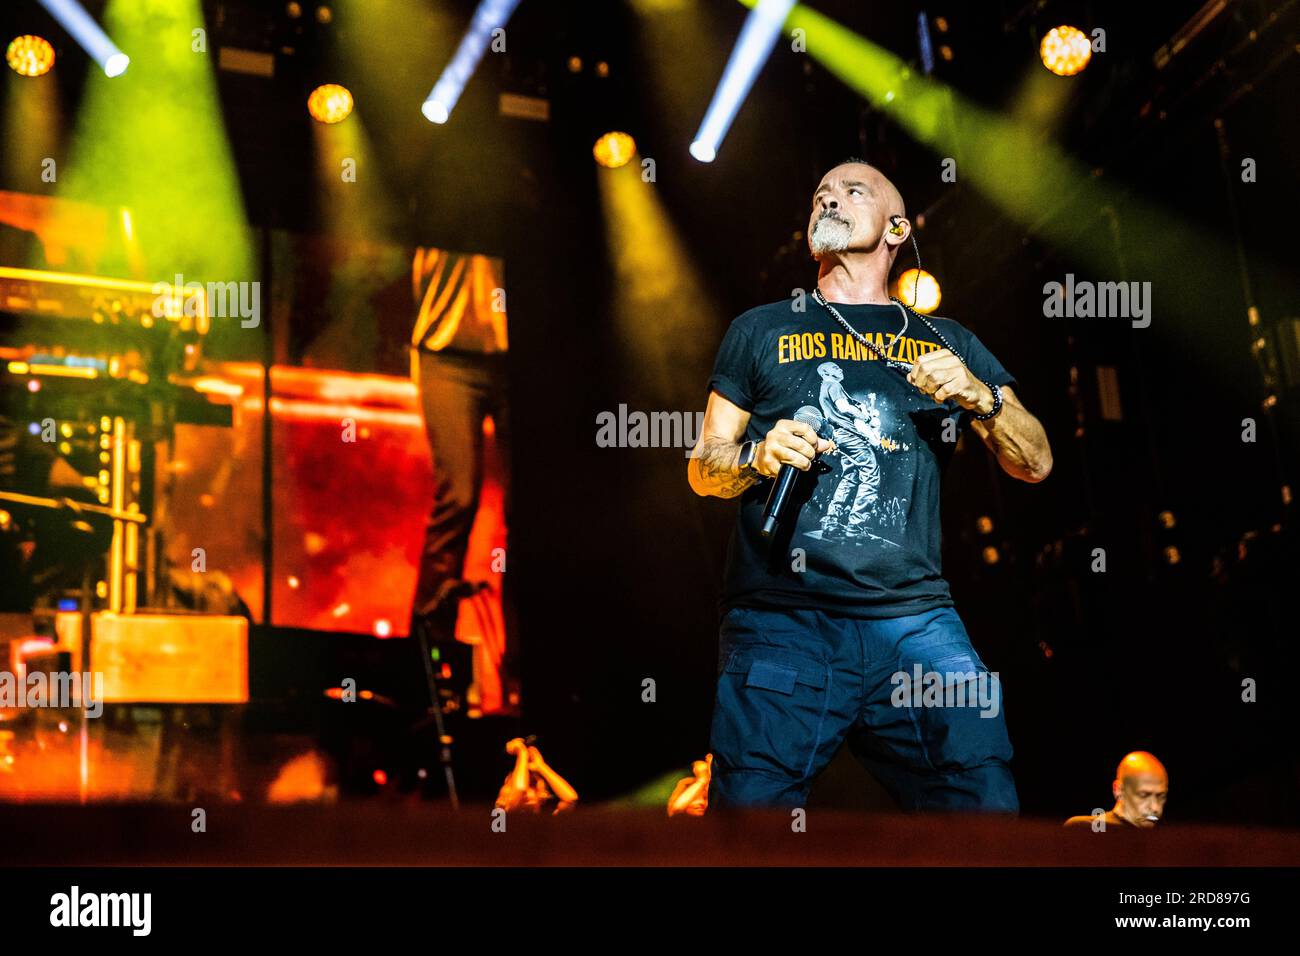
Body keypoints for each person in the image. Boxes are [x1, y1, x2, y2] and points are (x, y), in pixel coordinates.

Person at [687, 158, 1053, 810]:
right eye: (819, 194)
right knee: (750, 820)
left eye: (852, 191)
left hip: (917, 624)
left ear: (896, 227)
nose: (829, 199)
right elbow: (702, 466)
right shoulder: (760, 330)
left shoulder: (949, 341)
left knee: (984, 801)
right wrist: (755, 455)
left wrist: (980, 398)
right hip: (783, 618)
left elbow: (1036, 462)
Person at [1064, 751, 1169, 829]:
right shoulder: (1085, 829)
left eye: (1161, 796)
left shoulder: (1168, 838)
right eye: (1144, 795)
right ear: (1118, 790)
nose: (1155, 807)